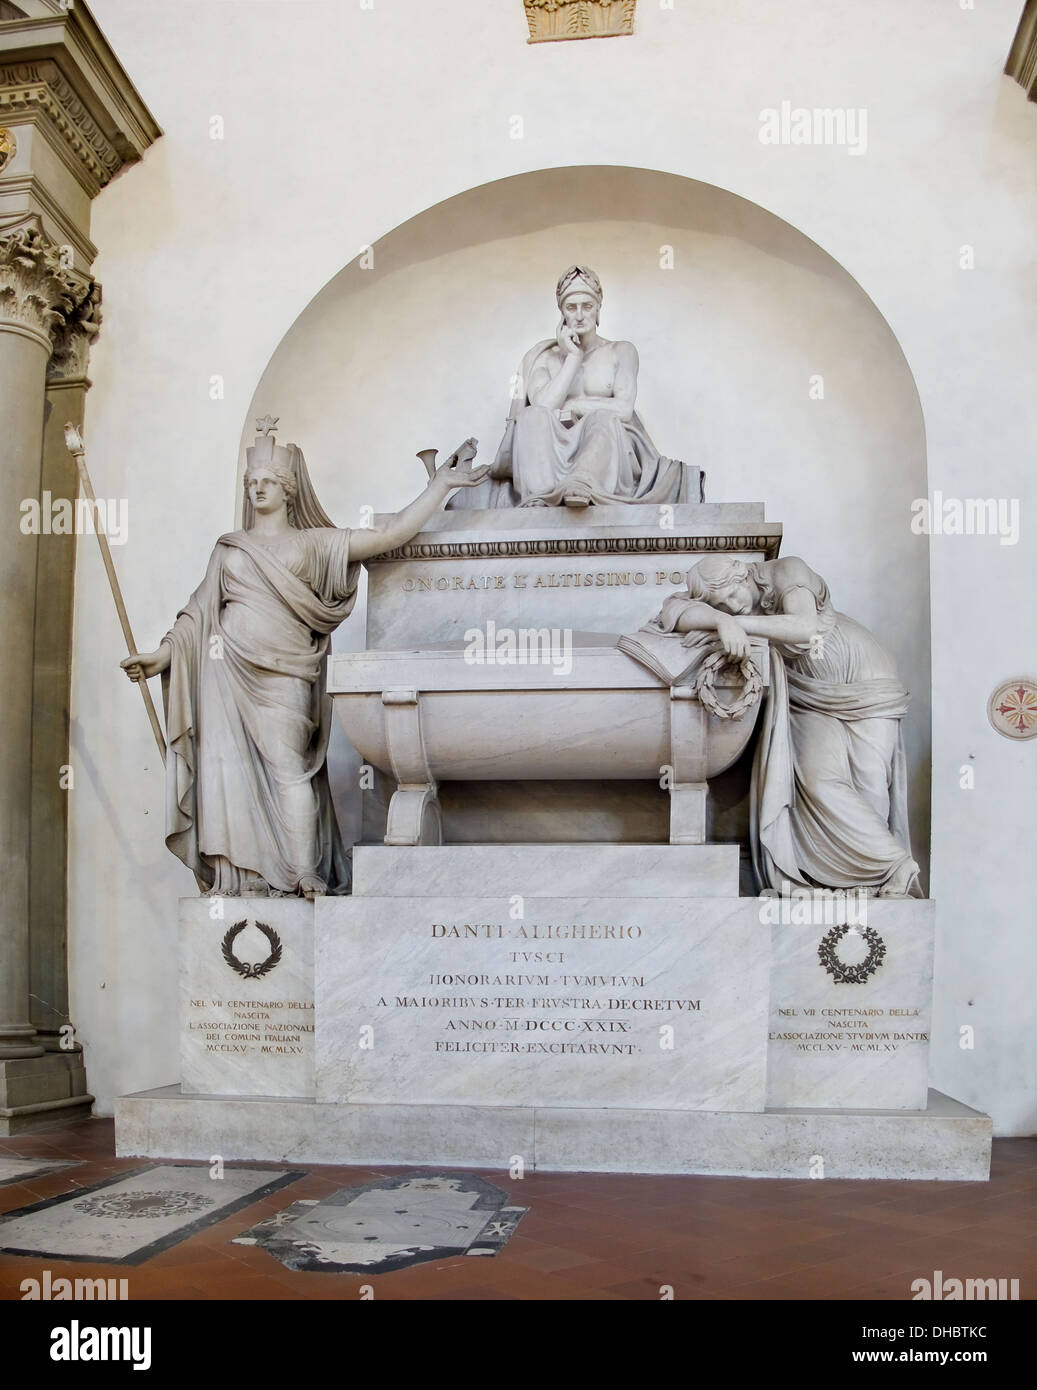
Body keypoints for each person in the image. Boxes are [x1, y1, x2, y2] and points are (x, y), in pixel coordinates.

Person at [121, 430, 488, 898]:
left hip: (286, 673)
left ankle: (302, 872)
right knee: (227, 771)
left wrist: (439, 487)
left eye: (268, 482)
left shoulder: (314, 544)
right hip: (225, 673)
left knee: (289, 767)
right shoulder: (229, 549)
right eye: (252, 481)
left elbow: (385, 536)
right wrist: (162, 655)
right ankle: (244, 877)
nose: (257, 489)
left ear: (287, 489)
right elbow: (197, 614)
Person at [645, 555, 922, 897]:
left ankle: (878, 881)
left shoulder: (787, 571)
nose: (735, 606)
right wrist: (720, 620)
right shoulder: (728, 613)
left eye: (733, 595)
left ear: (743, 573)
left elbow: (805, 629)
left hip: (863, 679)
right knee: (817, 779)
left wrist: (737, 626)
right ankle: (892, 864)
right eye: (723, 605)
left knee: (870, 786)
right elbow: (672, 612)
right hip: (806, 692)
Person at [482, 265, 687, 508]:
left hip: (606, 444)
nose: (579, 315)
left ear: (598, 310)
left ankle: (582, 483)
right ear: (562, 315)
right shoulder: (543, 358)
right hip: (553, 448)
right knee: (530, 416)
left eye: (587, 306)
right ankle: (540, 497)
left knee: (602, 418)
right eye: (571, 307)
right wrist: (573, 358)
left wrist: (576, 406)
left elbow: (623, 410)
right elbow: (542, 407)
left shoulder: (620, 351)